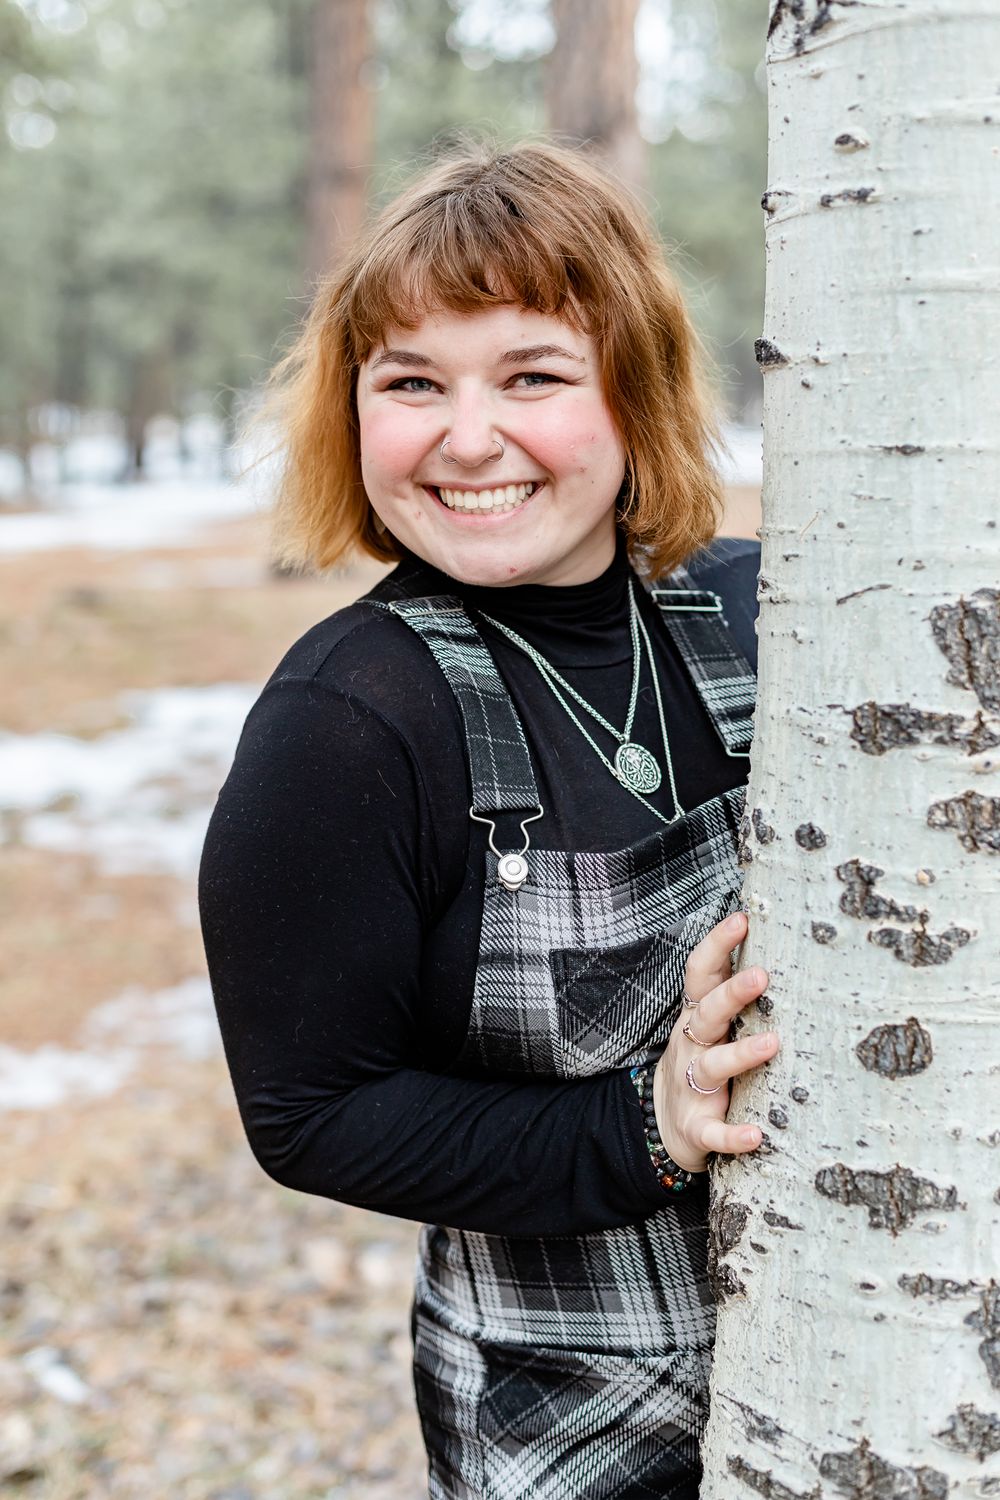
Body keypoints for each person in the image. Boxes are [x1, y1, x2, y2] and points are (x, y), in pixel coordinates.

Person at [199, 140, 777, 1499]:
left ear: (632, 395)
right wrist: (647, 1122)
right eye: (412, 383)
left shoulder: (767, 610)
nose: (470, 437)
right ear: (353, 415)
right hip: (575, 1426)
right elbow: (313, 1111)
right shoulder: (350, 717)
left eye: (532, 376)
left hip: (886, 1360)